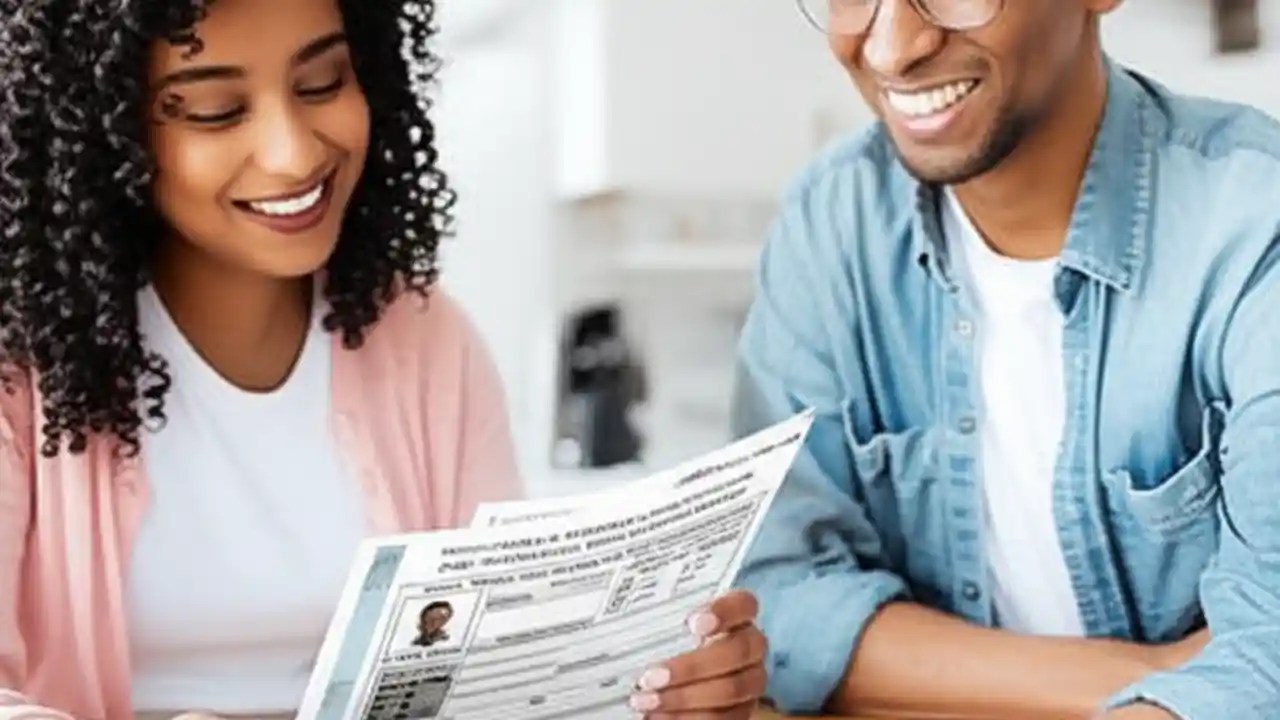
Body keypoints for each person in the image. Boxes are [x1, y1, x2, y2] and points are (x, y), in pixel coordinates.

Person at [0, 0, 764, 718]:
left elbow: (500, 656)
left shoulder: (424, 340)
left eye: (322, 82)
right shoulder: (20, 369)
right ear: (106, 133)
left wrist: (653, 672)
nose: (294, 151)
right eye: (215, 111)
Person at [732, 0, 1280, 719]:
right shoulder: (831, 228)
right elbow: (774, 598)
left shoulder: (1252, 227)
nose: (895, 48)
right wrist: (1150, 673)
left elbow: (1266, 658)